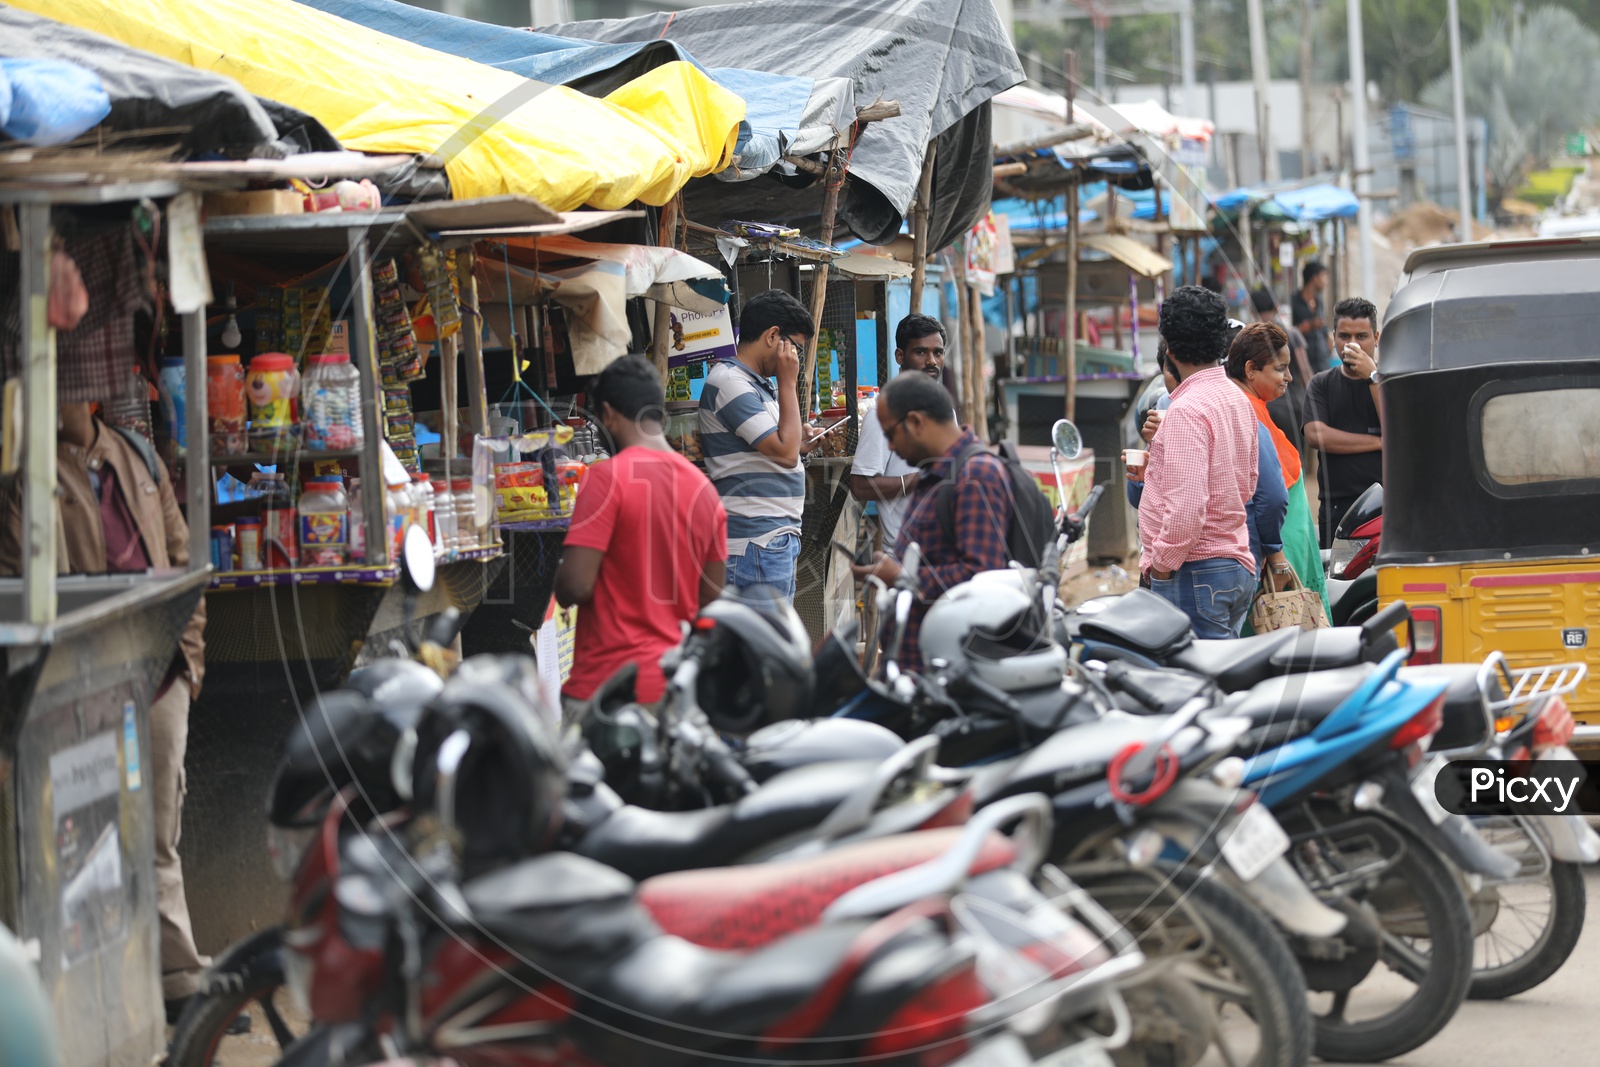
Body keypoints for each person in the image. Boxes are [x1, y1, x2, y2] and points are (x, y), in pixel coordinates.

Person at [0, 402, 210, 1021]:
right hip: (79, 684)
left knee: (157, 835)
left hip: (158, 677)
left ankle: (179, 983)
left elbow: (183, 561)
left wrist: (187, 661)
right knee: (87, 844)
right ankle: (108, 999)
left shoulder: (137, 456)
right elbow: (12, 577)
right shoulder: (27, 474)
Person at [555, 356, 728, 715]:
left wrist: (560, 578)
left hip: (606, 694)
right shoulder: (705, 492)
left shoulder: (605, 478)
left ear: (608, 414)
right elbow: (711, 601)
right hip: (672, 691)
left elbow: (576, 585)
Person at [849, 372, 1012, 673]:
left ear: (915, 422)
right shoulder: (932, 475)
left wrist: (902, 576)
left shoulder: (975, 475)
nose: (891, 448)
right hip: (918, 665)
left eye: (891, 435)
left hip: (951, 671)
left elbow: (980, 576)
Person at [1135, 286, 1260, 638]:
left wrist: (1161, 566)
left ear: (1170, 349)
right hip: (1232, 566)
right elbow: (1247, 484)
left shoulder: (1186, 411)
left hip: (1195, 571)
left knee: (1195, 672)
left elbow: (1187, 510)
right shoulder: (1237, 397)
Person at [1130, 332, 1287, 583]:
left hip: (1198, 566)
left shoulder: (1206, 409)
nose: (1176, 380)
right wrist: (1151, 468)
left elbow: (1189, 508)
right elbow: (1142, 498)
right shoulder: (1164, 408)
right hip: (1215, 563)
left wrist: (1162, 567)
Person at [698, 290, 822, 600]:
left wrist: (800, 440)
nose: (795, 357)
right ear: (772, 336)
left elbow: (780, 445)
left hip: (768, 541)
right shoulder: (730, 382)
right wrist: (788, 382)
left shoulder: (757, 384)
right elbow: (785, 454)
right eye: (795, 347)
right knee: (765, 633)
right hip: (755, 544)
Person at [1227, 322, 1329, 614]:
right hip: (1281, 551)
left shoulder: (1253, 406)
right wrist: (1277, 558)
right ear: (1250, 370)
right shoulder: (1246, 411)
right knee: (1283, 625)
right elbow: (1269, 497)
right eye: (1280, 368)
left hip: (1285, 544)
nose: (1289, 377)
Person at [850, 314, 946, 548]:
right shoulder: (882, 417)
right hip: (907, 556)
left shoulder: (945, 413)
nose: (932, 361)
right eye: (921, 352)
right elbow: (860, 486)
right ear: (900, 356)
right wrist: (916, 480)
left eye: (938, 353)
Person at [1305, 296, 1383, 547]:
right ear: (1334, 338)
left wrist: (1372, 377)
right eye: (1345, 336)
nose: (1353, 344)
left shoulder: (1390, 380)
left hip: (1386, 504)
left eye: (1361, 336)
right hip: (1337, 506)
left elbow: (1397, 429)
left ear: (1376, 338)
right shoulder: (1321, 383)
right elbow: (1317, 436)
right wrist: (1378, 442)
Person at [1250, 285, 1314, 456]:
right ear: (1276, 308)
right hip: (1293, 408)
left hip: (1262, 410)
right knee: (1294, 458)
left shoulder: (1249, 339)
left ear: (1251, 309)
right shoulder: (1292, 334)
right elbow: (1305, 371)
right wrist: (1315, 405)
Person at [1291, 260, 1330, 374]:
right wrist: (1309, 325)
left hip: (1322, 363)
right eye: (1324, 276)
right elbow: (1289, 331)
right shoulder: (1294, 302)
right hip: (1302, 365)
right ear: (1315, 278)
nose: (1326, 281)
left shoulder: (1319, 301)